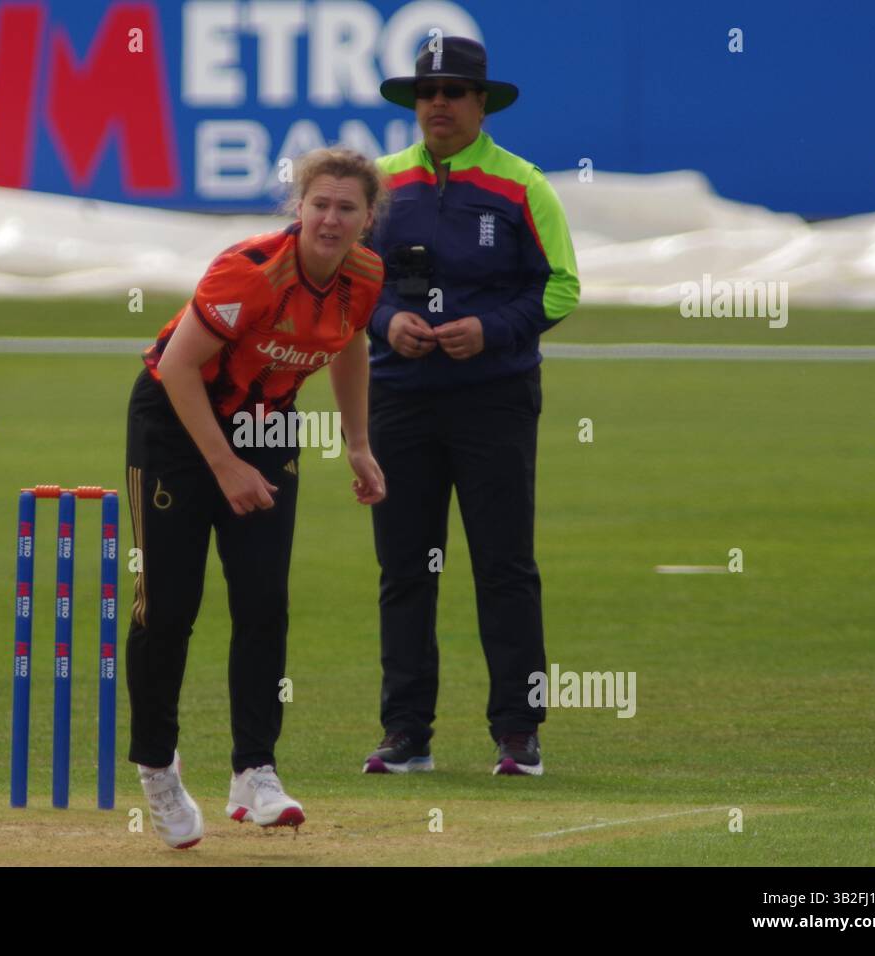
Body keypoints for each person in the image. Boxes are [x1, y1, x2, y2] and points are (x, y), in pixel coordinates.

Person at [124, 147, 388, 849]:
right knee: (169, 608)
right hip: (177, 427)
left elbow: (352, 342)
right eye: (320, 204)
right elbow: (179, 366)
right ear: (298, 208)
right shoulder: (250, 271)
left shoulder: (365, 273)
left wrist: (357, 444)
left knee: (264, 601)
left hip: (265, 428)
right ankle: (156, 765)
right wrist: (225, 466)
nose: (331, 219)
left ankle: (254, 773)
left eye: (347, 208)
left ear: (368, 218)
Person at [361, 37, 580, 777]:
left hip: (495, 401)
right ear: (414, 103)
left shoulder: (523, 186)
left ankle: (518, 731)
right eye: (428, 93)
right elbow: (345, 280)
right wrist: (387, 320)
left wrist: (489, 330)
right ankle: (406, 732)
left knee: (505, 566)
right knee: (403, 569)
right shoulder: (382, 185)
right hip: (399, 399)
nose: (440, 105)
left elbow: (560, 287)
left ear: (482, 103)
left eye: (456, 92)